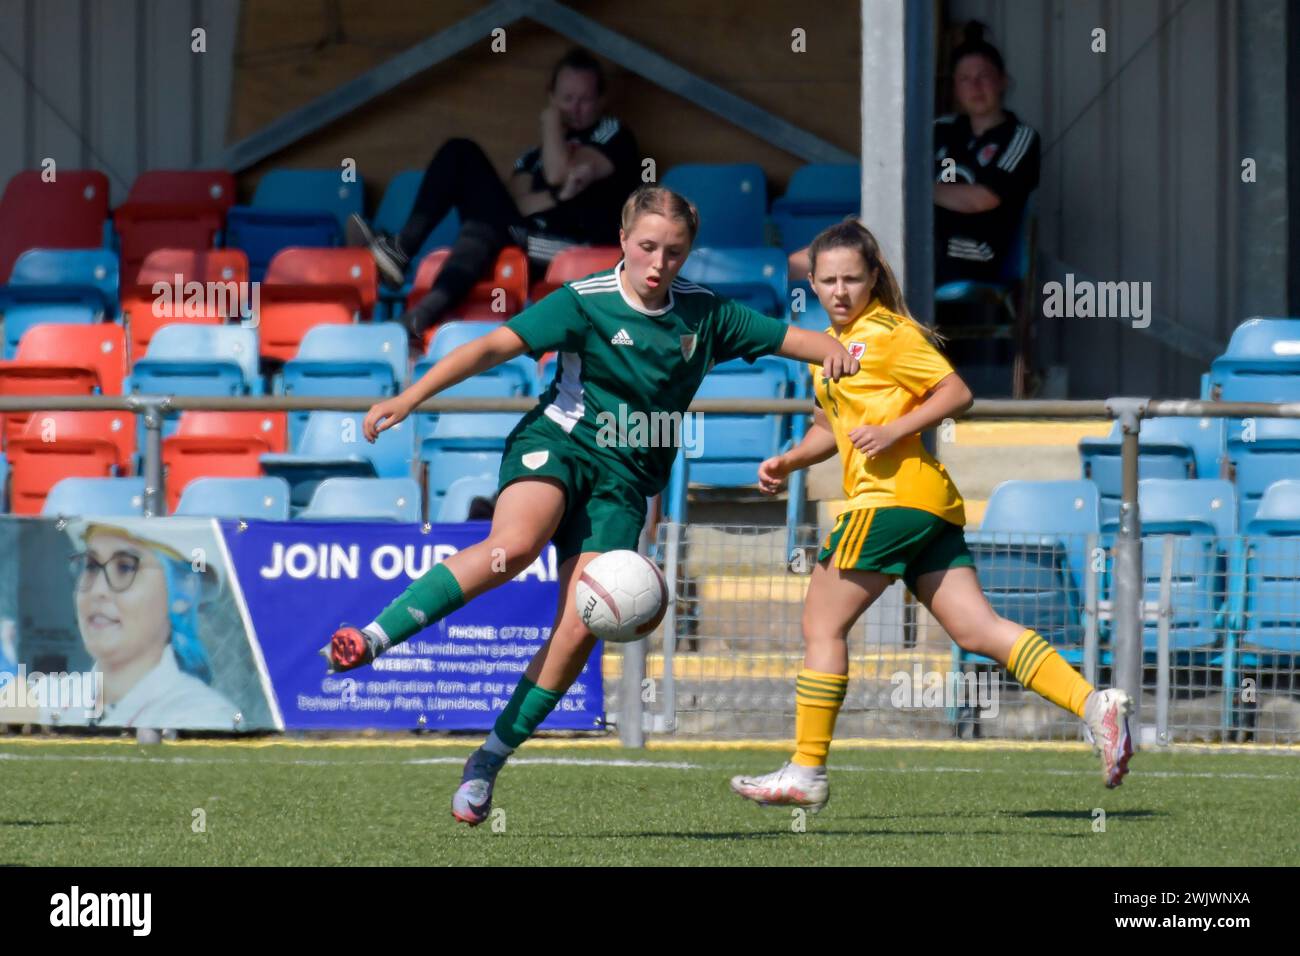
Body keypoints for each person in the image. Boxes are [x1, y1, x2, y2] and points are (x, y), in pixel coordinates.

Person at [322, 184, 860, 826]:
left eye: (675, 251)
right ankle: (375, 637)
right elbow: (493, 346)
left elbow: (798, 340)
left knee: (579, 626)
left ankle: (488, 762)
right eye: (648, 246)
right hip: (559, 445)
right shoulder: (586, 302)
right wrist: (409, 397)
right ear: (625, 240)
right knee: (510, 549)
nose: (660, 263)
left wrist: (838, 350)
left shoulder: (708, 315)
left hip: (624, 485)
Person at [729, 220, 1132, 812]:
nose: (840, 290)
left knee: (821, 626)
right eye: (829, 280)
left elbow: (955, 393)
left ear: (872, 280)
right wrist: (789, 460)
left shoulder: (888, 334)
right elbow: (828, 426)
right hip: (926, 508)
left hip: (890, 502)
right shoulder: (823, 350)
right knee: (978, 630)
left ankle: (806, 770)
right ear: (811, 282)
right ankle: (1097, 706)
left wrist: (892, 428)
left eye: (853, 279)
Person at [350, 47, 641, 352]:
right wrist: (558, 196)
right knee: (462, 159)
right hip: (522, 236)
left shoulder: (612, 135)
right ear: (552, 95)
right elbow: (514, 202)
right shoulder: (533, 156)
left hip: (576, 250)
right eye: (567, 99)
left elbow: (556, 173)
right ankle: (415, 313)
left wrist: (550, 121)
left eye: (585, 100)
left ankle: (403, 269)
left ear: (601, 101)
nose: (576, 109)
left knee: (486, 224)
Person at [37, 521, 237, 730]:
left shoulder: (205, 718)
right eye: (91, 566)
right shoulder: (41, 696)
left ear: (184, 590)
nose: (98, 591)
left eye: (125, 567)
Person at [933, 21, 1039, 286]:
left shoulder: (1019, 136)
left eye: (984, 77)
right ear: (955, 88)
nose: (975, 87)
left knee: (888, 254)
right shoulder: (941, 130)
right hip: (929, 240)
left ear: (1002, 80)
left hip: (976, 252)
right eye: (965, 79)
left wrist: (916, 192)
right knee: (858, 242)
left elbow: (983, 198)